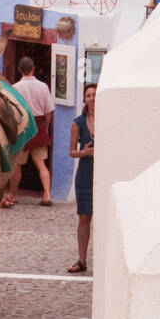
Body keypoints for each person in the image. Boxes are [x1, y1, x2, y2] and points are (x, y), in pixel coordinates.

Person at [7, 56, 54, 206]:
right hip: (39, 126)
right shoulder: (43, 87)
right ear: (33, 68)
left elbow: (13, 112)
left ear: (20, 70)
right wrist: (45, 126)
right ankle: (47, 195)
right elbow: (48, 111)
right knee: (41, 164)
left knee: (17, 165)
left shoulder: (15, 88)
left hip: (22, 128)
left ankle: (14, 194)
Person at [67, 83, 95, 272]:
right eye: (88, 95)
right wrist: (84, 153)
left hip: (105, 174)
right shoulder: (77, 123)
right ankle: (82, 259)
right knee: (84, 217)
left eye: (95, 95)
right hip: (85, 175)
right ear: (84, 99)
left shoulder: (110, 120)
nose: (92, 98)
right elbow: (71, 152)